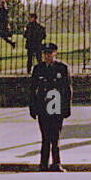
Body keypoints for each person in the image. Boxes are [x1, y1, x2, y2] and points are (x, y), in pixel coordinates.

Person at [29, 43, 72, 171]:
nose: (47, 56)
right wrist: (33, 108)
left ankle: (56, 163)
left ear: (55, 53)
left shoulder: (62, 68)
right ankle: (43, 164)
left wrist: (67, 107)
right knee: (45, 136)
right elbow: (32, 89)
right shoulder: (38, 69)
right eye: (45, 54)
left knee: (55, 136)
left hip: (56, 106)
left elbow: (67, 89)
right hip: (43, 106)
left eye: (50, 53)